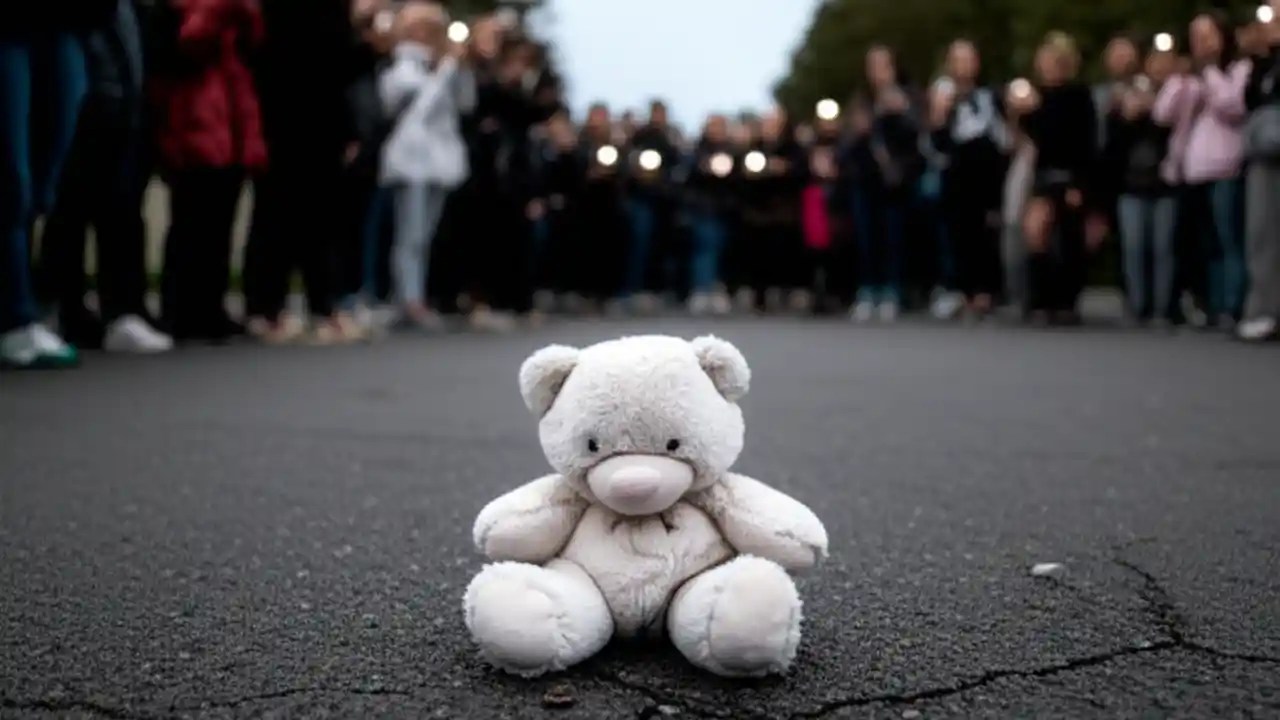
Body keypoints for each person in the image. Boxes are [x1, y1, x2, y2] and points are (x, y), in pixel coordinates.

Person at [34, 0, 173, 354]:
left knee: (120, 209)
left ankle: (121, 309)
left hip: (123, 101)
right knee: (70, 211)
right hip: (92, 97)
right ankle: (66, 309)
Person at [241, 0, 365, 345]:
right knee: (277, 213)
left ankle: (322, 306)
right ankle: (267, 308)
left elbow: (337, 67)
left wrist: (346, 128)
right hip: (284, 113)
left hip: (320, 118)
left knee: (320, 218)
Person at [1, 2, 117, 368]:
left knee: (44, 181)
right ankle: (15, 316)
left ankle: (25, 307)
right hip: (8, 31)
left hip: (67, 27)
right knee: (10, 178)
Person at [152, 0, 267, 344]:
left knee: (221, 225)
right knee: (188, 224)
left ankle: (210, 308)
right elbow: (190, 43)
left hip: (229, 127)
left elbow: (256, 40)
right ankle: (176, 309)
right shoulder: (179, 11)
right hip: (194, 123)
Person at [378, 1, 473, 332]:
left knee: (426, 234)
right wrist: (446, 69)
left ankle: (413, 295)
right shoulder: (401, 64)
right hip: (410, 158)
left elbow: (465, 103)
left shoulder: (446, 62)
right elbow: (421, 107)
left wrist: (459, 69)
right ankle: (408, 301)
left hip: (440, 159)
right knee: (410, 234)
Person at [1153, 12, 1252, 329]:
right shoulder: (1191, 78)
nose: (1201, 43)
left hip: (1225, 167)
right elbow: (1162, 114)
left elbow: (1233, 106)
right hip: (1191, 171)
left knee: (1228, 240)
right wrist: (1179, 81)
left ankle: (1232, 305)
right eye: (1196, 36)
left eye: (1208, 35)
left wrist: (1210, 73)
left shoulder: (1239, 69)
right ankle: (1208, 301)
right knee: (1202, 244)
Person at [1014, 33, 1103, 325]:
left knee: (1070, 238)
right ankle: (1040, 299)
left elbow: (1086, 143)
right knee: (1035, 230)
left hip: (1071, 174)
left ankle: (1067, 301)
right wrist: (1023, 113)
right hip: (1044, 175)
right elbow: (1035, 137)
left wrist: (1080, 184)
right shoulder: (1038, 98)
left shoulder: (1079, 96)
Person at [929, 40, 1010, 320]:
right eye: (958, 59)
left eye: (969, 58)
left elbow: (1003, 137)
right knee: (957, 232)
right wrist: (939, 115)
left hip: (986, 171)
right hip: (956, 172)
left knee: (986, 232)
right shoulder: (943, 95)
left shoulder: (989, 95)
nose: (965, 65)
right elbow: (936, 144)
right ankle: (959, 291)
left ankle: (986, 292)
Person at [1106, 49, 1177, 327]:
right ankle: (1137, 306)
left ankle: (1162, 309)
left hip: (1166, 183)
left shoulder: (1179, 95)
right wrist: (1128, 117)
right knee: (1134, 247)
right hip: (1132, 184)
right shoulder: (1125, 98)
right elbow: (1114, 146)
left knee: (1163, 248)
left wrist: (1157, 111)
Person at [850, 45, 921, 323]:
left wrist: (900, 113)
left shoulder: (909, 96)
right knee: (868, 238)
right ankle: (869, 291)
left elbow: (918, 134)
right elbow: (849, 143)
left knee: (894, 238)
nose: (877, 72)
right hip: (865, 179)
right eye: (872, 65)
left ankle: (893, 292)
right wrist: (860, 129)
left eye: (883, 65)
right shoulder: (862, 100)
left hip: (896, 181)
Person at [737, 106, 807, 313]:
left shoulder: (793, 148)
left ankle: (785, 290)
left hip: (785, 210)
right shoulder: (754, 148)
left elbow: (802, 173)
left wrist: (786, 168)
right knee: (758, 252)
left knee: (784, 251)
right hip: (758, 210)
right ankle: (760, 294)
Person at [1239, 0, 1280, 341]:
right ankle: (1264, 310)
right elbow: (1251, 101)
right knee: (1262, 233)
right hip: (1265, 153)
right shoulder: (1264, 62)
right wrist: (1261, 55)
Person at [620, 99, 679, 313]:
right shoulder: (639, 138)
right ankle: (631, 289)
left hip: (663, 202)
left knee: (660, 245)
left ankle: (656, 289)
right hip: (640, 199)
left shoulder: (671, 138)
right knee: (640, 240)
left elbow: (676, 166)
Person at [681, 114, 739, 315]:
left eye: (720, 126)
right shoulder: (695, 152)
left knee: (721, 248)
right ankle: (702, 289)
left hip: (726, 209)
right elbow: (686, 179)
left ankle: (717, 288)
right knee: (705, 245)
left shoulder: (733, 151)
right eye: (713, 126)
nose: (716, 131)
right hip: (703, 208)